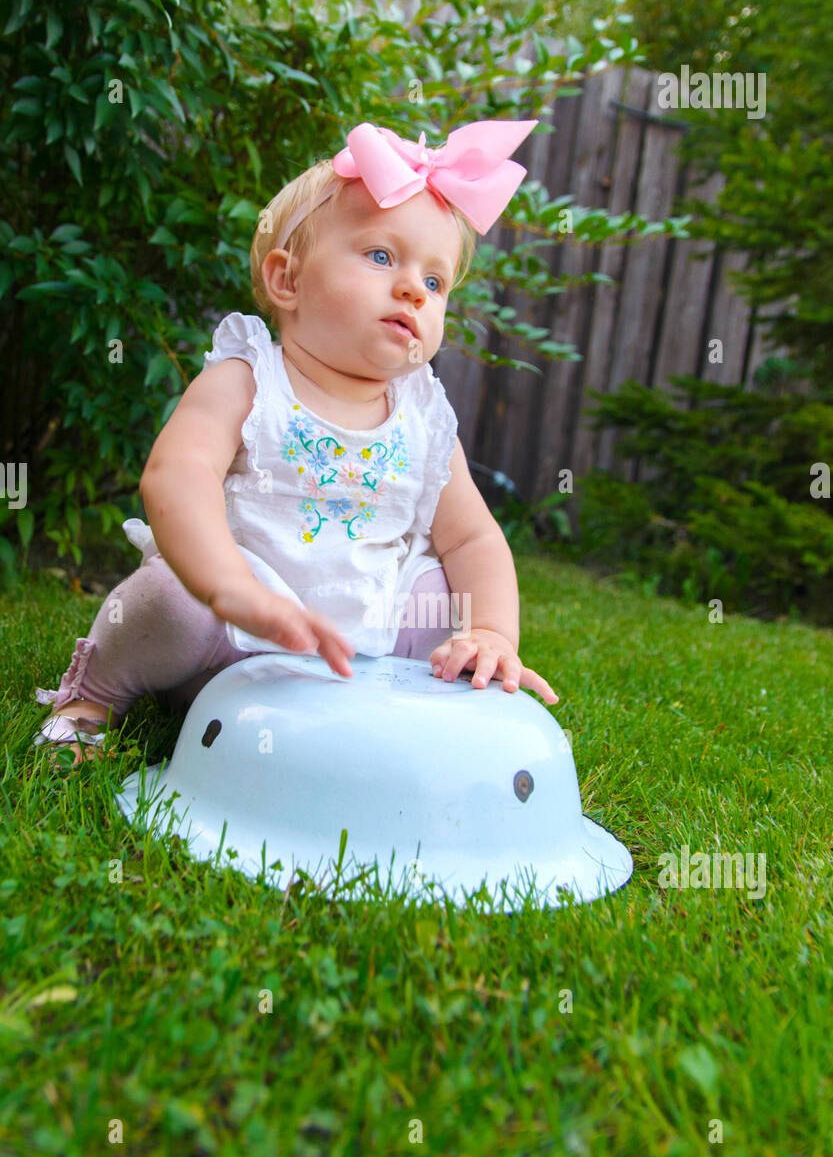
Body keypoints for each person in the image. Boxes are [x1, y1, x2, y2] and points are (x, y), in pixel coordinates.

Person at [33, 119, 559, 767]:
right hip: (228, 630)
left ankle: (422, 704)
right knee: (168, 599)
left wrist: (488, 631)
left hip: (361, 644)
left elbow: (472, 537)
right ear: (288, 280)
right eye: (379, 256)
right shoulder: (249, 378)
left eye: (434, 282)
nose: (410, 291)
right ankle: (95, 694)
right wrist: (229, 587)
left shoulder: (422, 415)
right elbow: (177, 475)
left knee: (441, 596)